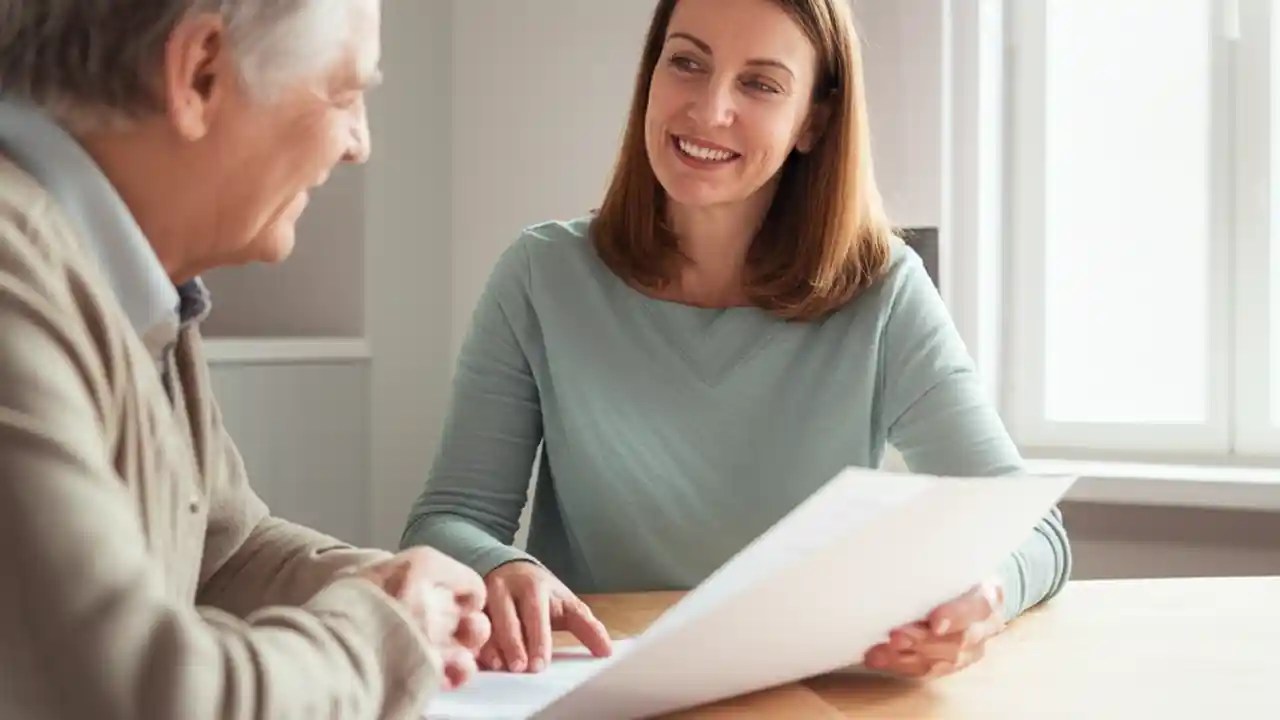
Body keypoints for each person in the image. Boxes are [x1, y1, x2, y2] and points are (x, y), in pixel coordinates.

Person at [402, 0, 1071, 680]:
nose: (708, 108)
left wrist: (987, 591)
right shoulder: (541, 275)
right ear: (651, 74)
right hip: (598, 680)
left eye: (760, 84)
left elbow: (1037, 532)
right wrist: (501, 564)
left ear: (813, 119)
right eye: (686, 63)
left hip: (800, 684)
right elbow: (448, 520)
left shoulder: (883, 291)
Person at [0, 1, 489, 718]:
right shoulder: (17, 279)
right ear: (199, 74)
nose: (360, 143)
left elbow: (221, 553)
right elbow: (142, 697)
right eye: (346, 93)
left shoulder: (135, 282)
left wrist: (394, 586)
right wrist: (387, 636)